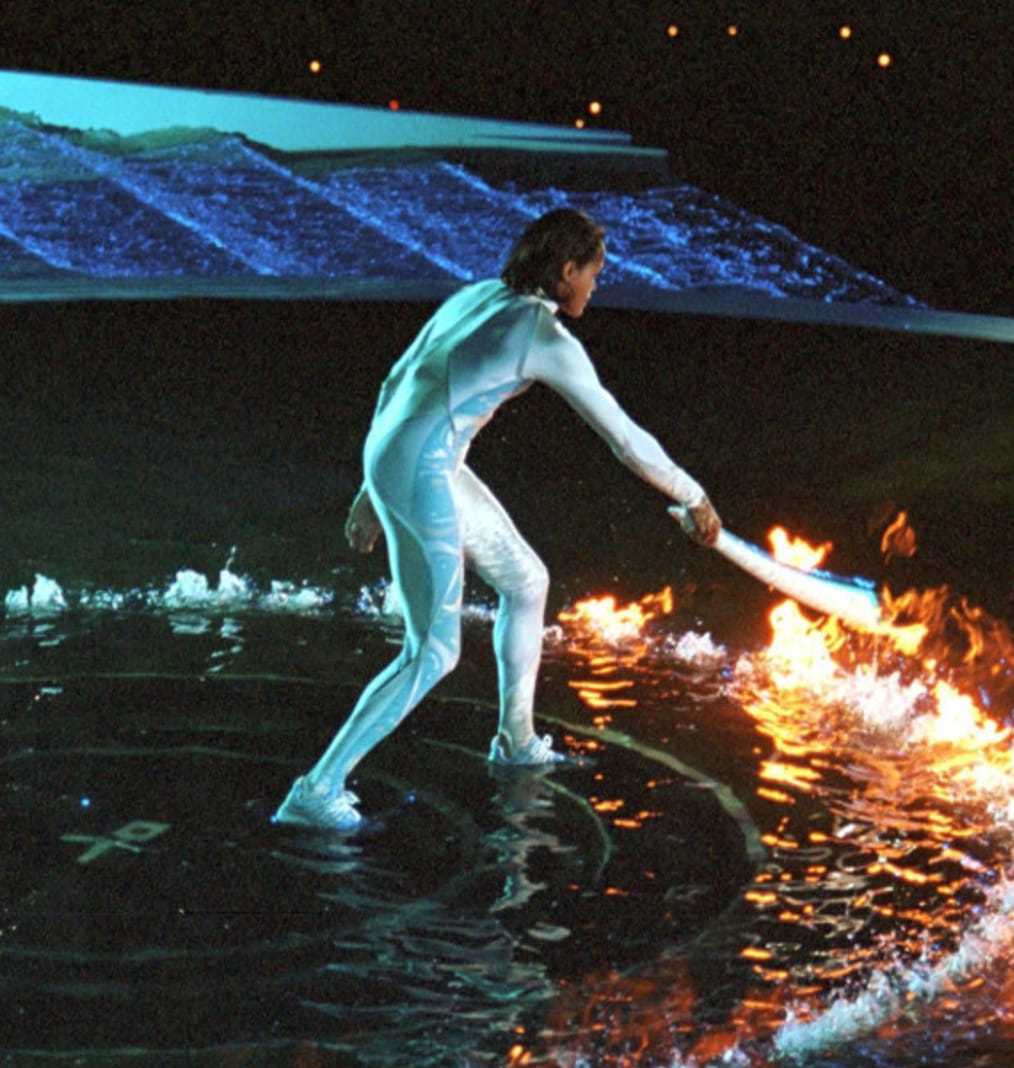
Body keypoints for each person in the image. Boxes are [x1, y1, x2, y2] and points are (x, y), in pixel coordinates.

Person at [274, 208, 721, 830]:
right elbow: (624, 438)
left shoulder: (478, 295)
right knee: (433, 651)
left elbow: (396, 380)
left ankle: (516, 740)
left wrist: (371, 485)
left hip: (408, 454)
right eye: (593, 274)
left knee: (526, 581)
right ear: (565, 271)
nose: (596, 286)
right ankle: (316, 790)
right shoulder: (544, 337)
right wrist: (693, 495)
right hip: (421, 466)